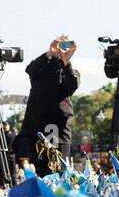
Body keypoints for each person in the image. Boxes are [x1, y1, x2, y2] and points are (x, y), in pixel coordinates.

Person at [13, 36, 80, 176]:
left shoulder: (71, 71)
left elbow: (72, 85)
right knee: (40, 170)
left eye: (65, 46)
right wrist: (49, 53)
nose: (62, 50)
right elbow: (30, 69)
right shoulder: (40, 70)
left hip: (59, 128)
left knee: (60, 170)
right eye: (60, 45)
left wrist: (66, 62)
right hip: (37, 127)